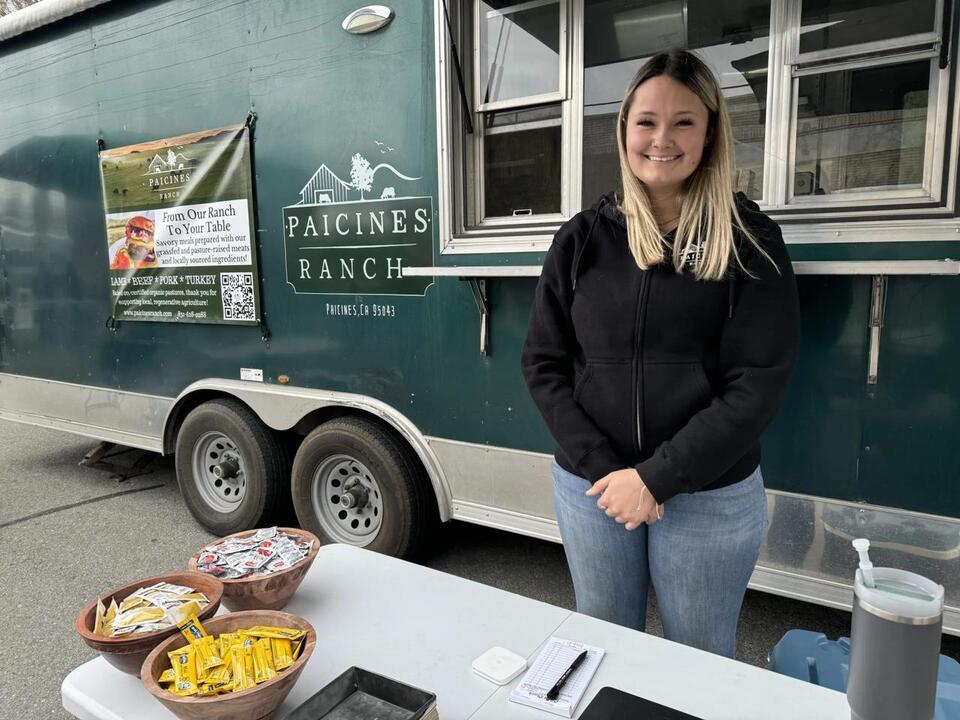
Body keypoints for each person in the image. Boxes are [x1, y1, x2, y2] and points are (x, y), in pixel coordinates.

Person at [520, 49, 800, 659]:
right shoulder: (581, 239)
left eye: (683, 122)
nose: (662, 139)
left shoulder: (750, 240)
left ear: (710, 133)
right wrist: (606, 471)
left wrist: (657, 478)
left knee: (696, 658)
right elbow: (543, 363)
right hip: (594, 491)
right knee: (602, 647)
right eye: (646, 121)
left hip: (708, 496)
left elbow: (758, 383)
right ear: (623, 131)